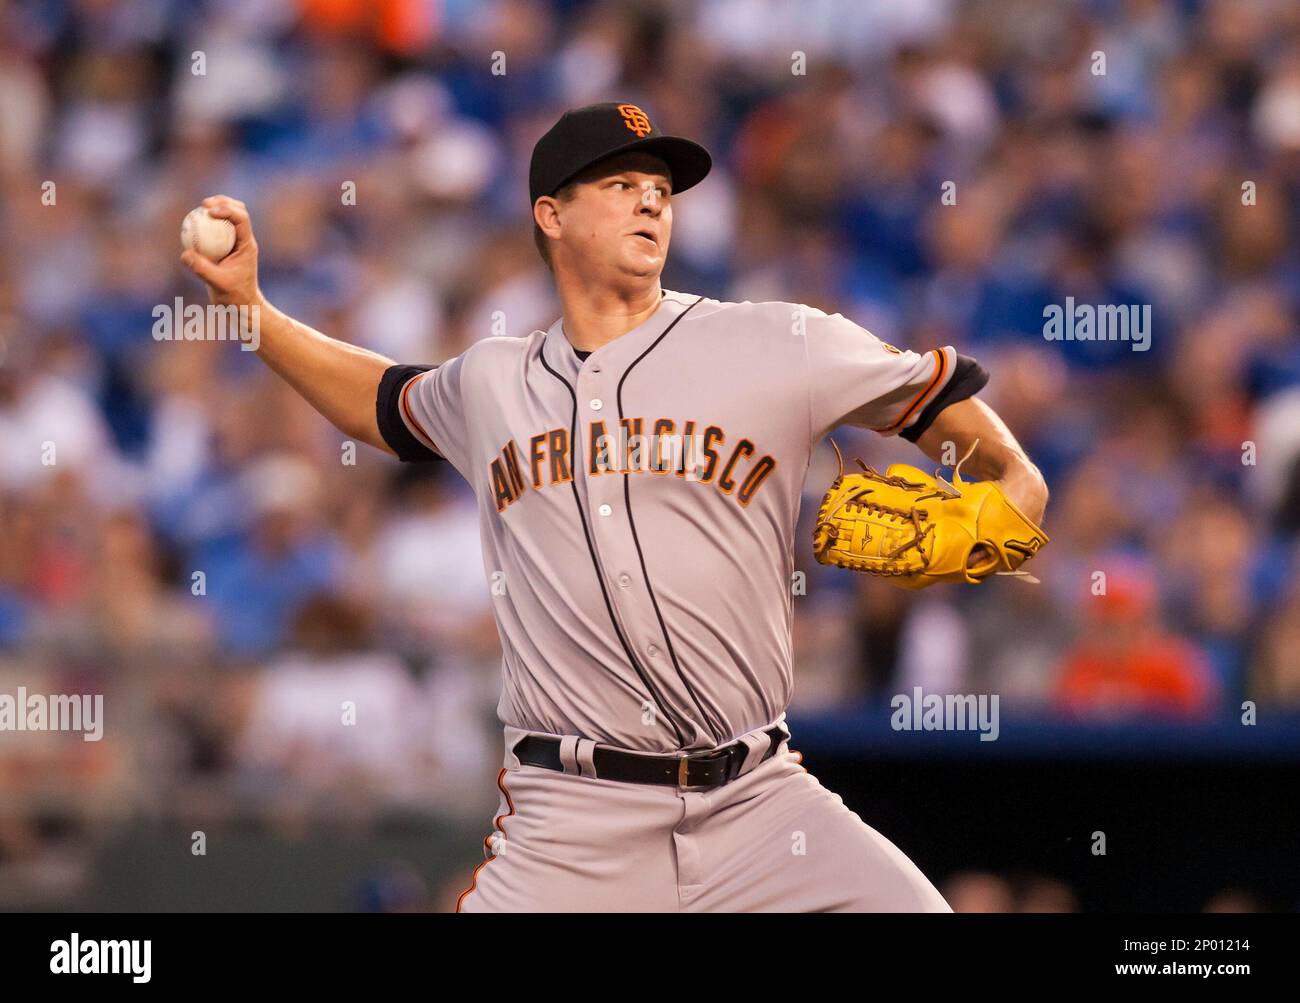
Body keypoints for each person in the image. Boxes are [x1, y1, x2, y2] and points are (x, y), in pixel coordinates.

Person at [181, 101, 1048, 912]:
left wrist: (1013, 479)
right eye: (621, 185)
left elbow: (938, 398)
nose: (651, 204)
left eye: (662, 191)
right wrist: (254, 313)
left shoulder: (775, 341)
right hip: (570, 821)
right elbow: (378, 401)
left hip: (758, 798)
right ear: (551, 216)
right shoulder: (491, 380)